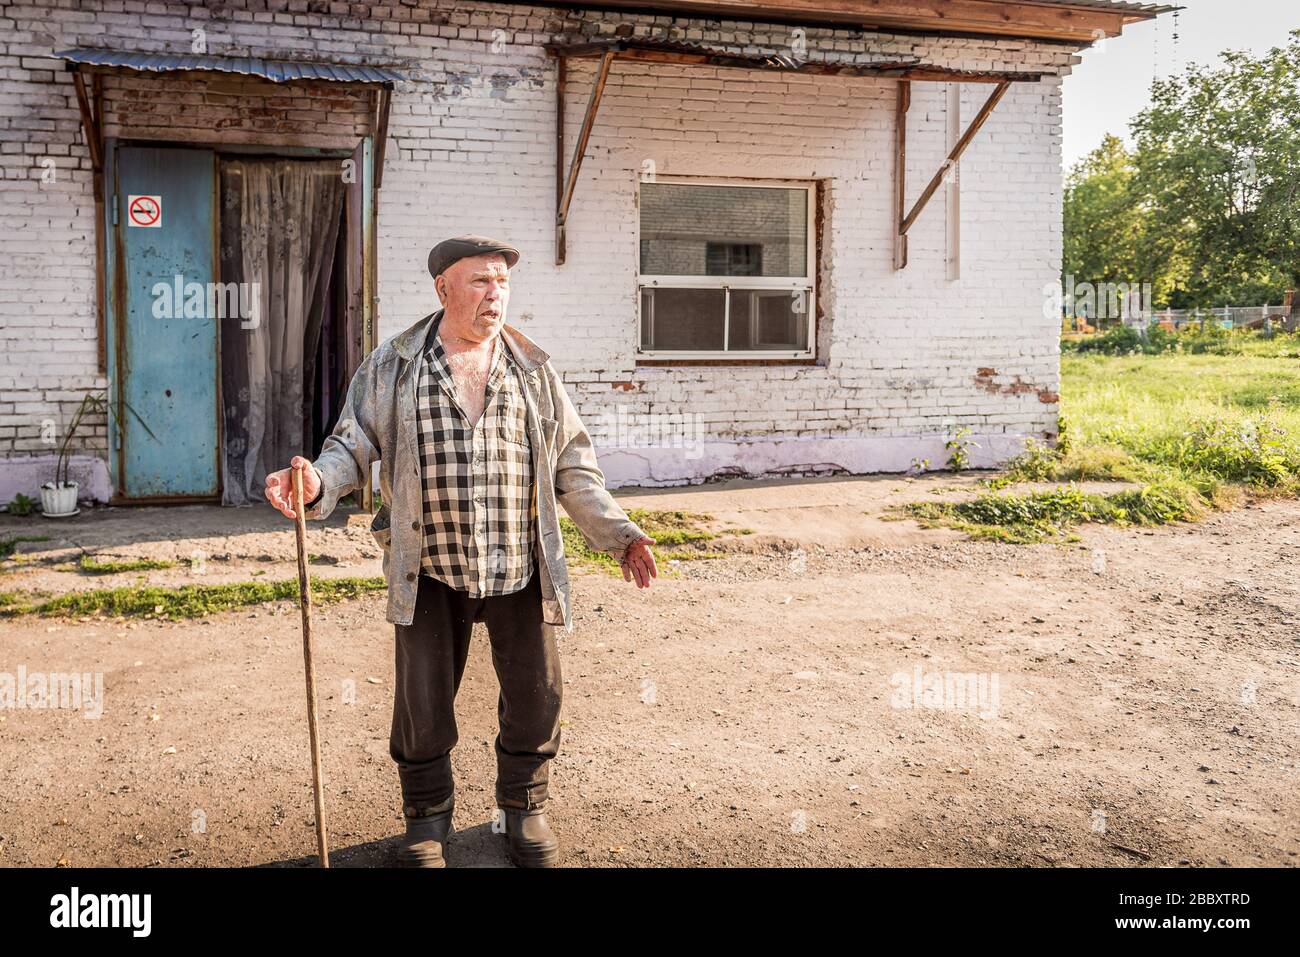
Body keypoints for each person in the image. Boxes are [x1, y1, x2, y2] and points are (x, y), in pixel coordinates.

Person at [264, 235, 657, 867]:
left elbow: (574, 469)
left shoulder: (533, 369)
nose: (495, 295)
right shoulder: (393, 366)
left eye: (502, 282)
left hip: (520, 562)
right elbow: (350, 446)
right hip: (429, 566)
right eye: (480, 282)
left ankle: (522, 809)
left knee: (536, 692)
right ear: (443, 288)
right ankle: (427, 819)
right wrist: (315, 482)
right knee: (422, 701)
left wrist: (619, 535)